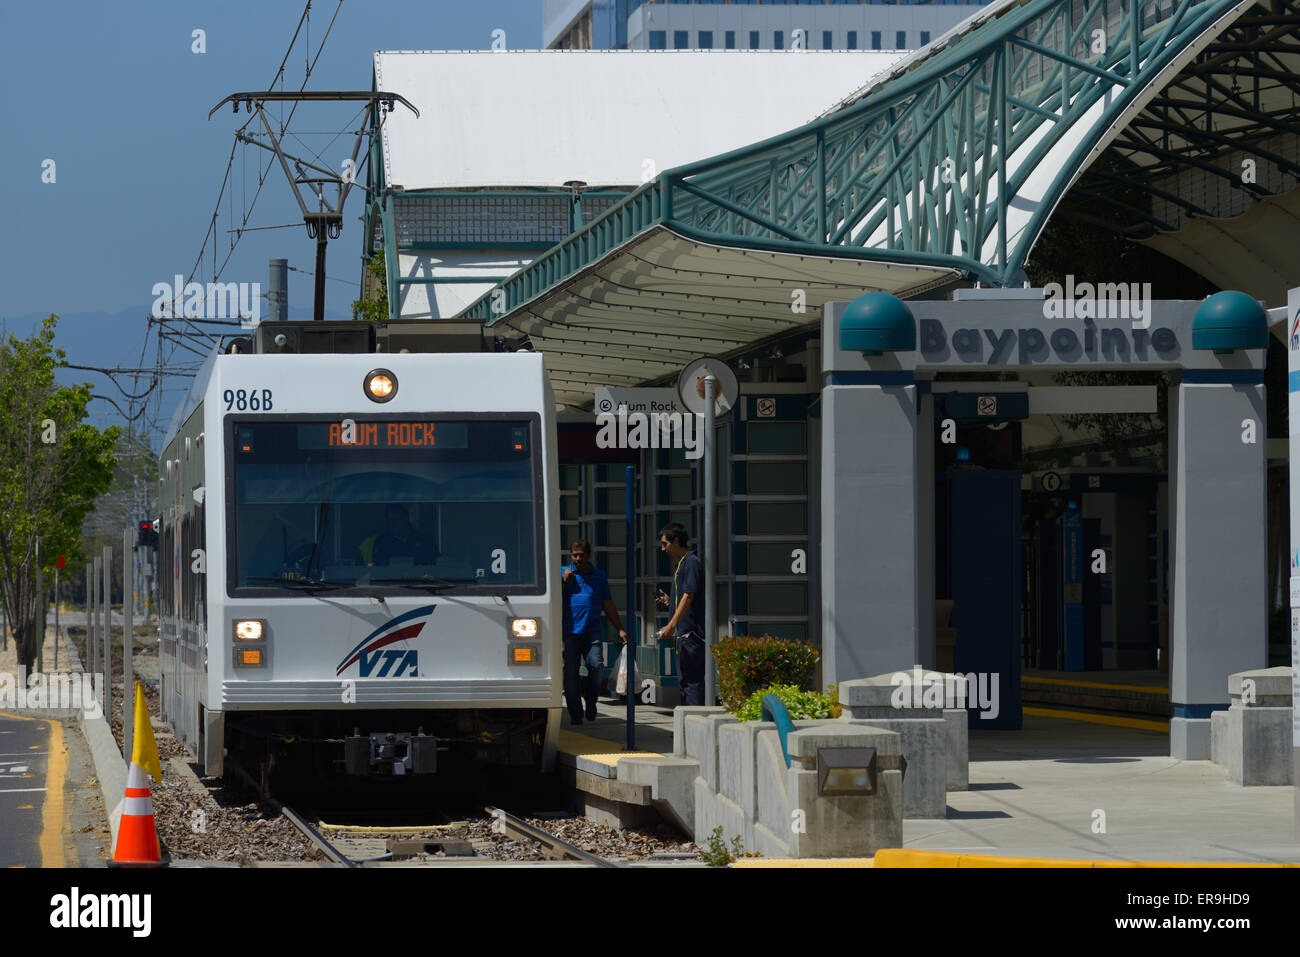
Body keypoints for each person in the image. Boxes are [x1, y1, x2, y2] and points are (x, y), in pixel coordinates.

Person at [561, 539, 627, 724]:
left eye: (581, 555)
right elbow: (553, 599)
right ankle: (576, 714)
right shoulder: (564, 574)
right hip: (570, 632)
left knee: (596, 667)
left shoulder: (599, 577)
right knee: (571, 674)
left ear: (588, 555)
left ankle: (591, 701)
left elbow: (608, 604)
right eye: (574, 555)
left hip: (591, 631)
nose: (577, 558)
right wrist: (564, 582)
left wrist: (620, 629)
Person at [654, 522, 706, 706]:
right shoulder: (682, 564)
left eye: (664, 544)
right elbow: (685, 598)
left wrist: (671, 625)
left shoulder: (691, 562)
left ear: (676, 541)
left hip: (691, 635)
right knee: (685, 682)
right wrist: (670, 602)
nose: (662, 549)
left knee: (692, 683)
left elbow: (689, 595)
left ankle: (694, 727)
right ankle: (687, 727)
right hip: (684, 635)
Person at [369, 504, 438, 565]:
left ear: (405, 519)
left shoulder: (424, 541)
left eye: (396, 519)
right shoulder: (381, 543)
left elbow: (437, 564)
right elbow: (378, 568)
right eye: (390, 520)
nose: (393, 524)